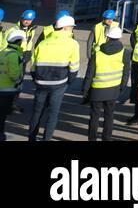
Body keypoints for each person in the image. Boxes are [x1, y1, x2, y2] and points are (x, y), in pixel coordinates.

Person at [28, 13, 79, 141]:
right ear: (66, 27)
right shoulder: (72, 44)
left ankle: (31, 138)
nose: (72, 29)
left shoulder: (43, 43)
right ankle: (46, 139)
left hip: (41, 83)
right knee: (52, 114)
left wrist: (37, 79)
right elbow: (74, 67)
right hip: (59, 84)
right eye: (72, 27)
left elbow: (33, 66)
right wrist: (69, 81)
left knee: (37, 112)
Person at [83, 24, 126, 141]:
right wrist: (122, 88)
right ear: (119, 38)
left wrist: (85, 90)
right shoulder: (124, 53)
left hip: (97, 90)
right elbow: (126, 73)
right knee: (109, 116)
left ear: (107, 37)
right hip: (113, 90)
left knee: (94, 116)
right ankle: (107, 138)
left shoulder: (97, 53)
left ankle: (92, 138)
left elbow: (89, 74)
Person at [0, 28, 25, 140]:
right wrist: (19, 82)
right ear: (19, 41)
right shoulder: (14, 55)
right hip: (8, 90)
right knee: (2, 116)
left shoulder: (2, 53)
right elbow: (14, 74)